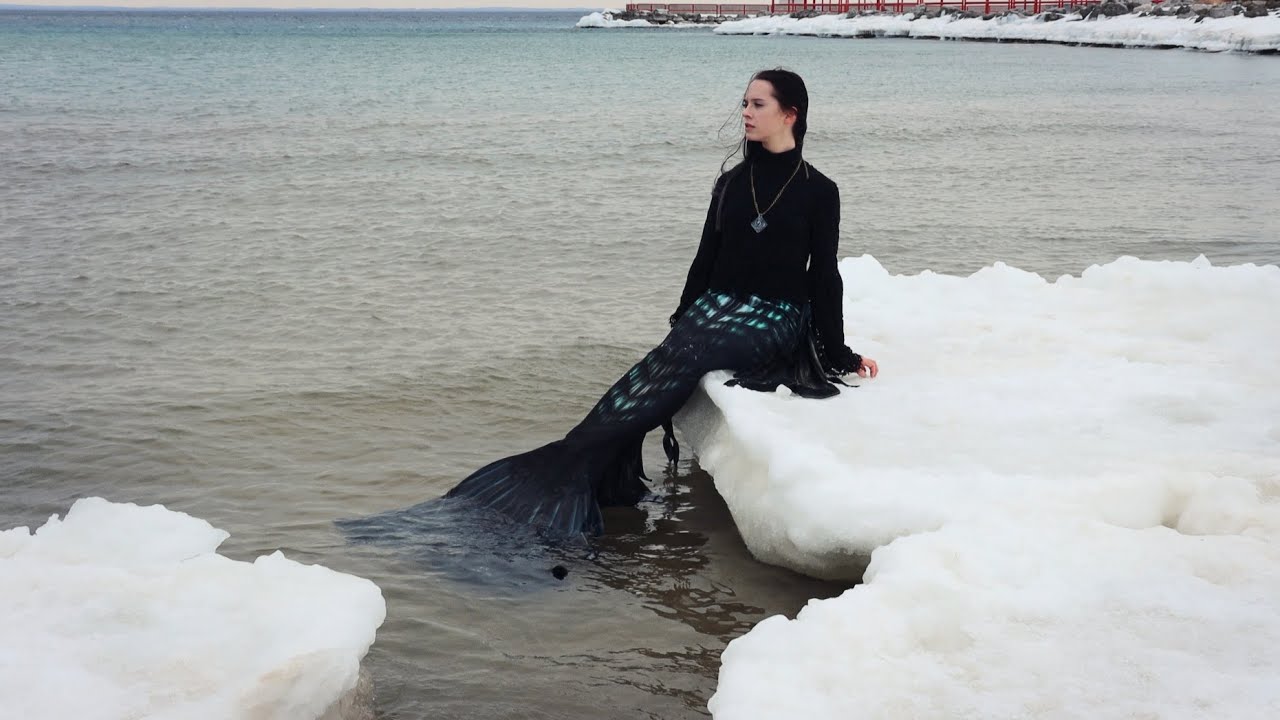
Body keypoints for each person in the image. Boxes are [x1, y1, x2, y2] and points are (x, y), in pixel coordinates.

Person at [444, 69, 877, 538]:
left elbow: (824, 275)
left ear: (789, 114)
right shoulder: (732, 183)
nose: (745, 113)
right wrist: (683, 317)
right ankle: (577, 461)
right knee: (664, 359)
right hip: (719, 304)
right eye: (745, 104)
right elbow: (705, 258)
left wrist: (839, 354)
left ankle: (584, 469)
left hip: (777, 316)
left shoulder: (820, 190)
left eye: (758, 105)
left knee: (701, 353)